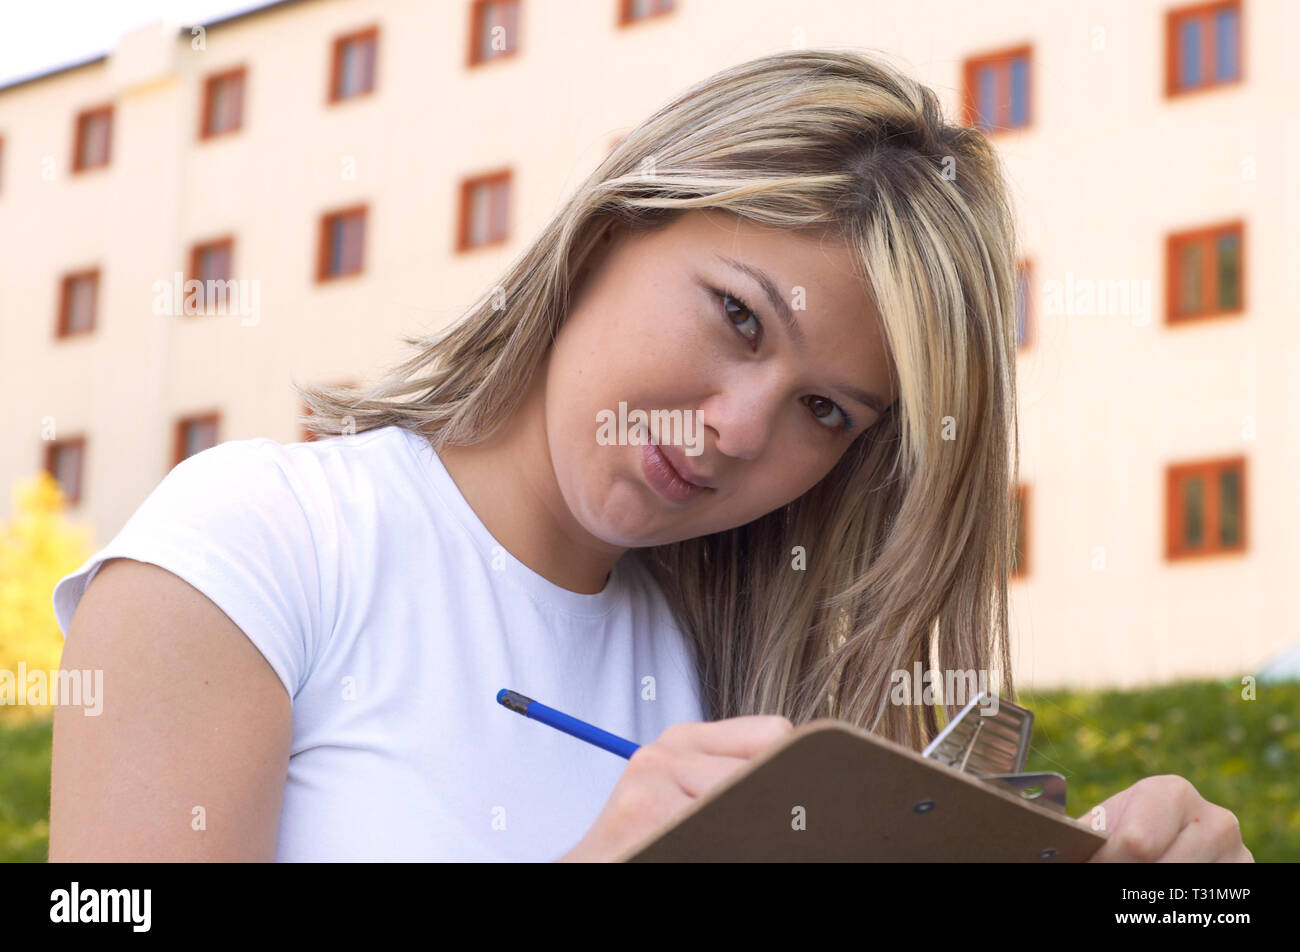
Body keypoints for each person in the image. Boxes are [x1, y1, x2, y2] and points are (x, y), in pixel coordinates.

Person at [49, 48, 1251, 862]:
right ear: (616, 221)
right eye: (737, 317)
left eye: (827, 412)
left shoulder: (761, 684)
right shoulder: (259, 545)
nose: (739, 429)